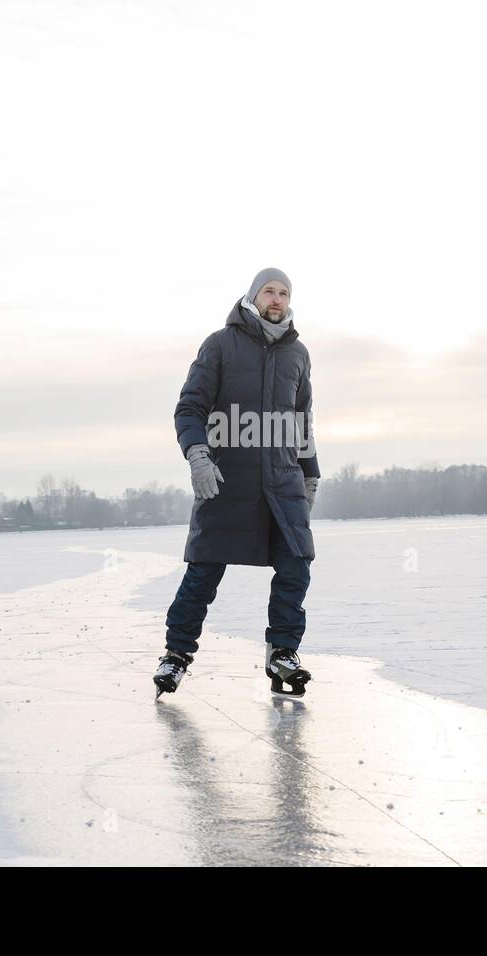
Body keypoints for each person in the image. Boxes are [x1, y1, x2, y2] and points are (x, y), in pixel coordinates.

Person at [153, 267, 320, 699]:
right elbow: (188, 409)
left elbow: (302, 421)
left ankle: (282, 653)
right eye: (269, 291)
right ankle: (176, 655)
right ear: (252, 296)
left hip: (282, 485)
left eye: (284, 292)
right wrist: (198, 456)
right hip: (226, 480)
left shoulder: (298, 353)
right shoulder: (220, 345)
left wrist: (311, 475)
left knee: (296, 566)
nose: (277, 298)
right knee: (203, 573)